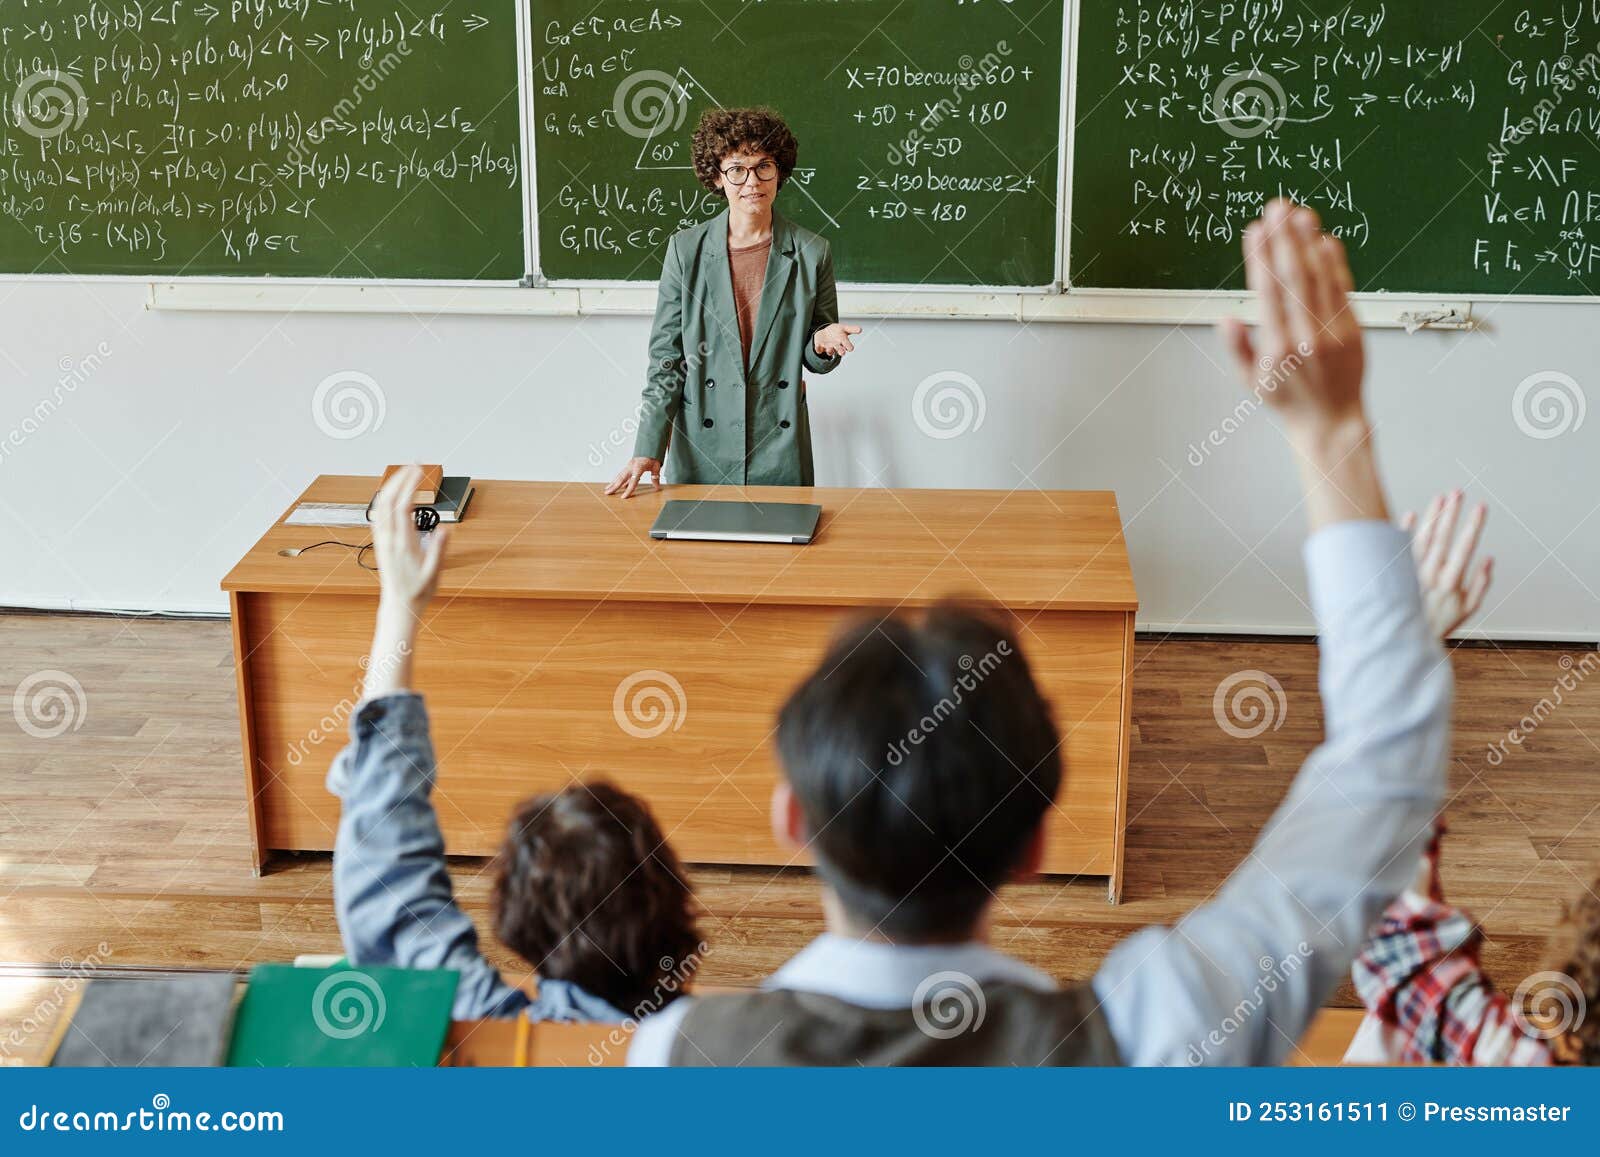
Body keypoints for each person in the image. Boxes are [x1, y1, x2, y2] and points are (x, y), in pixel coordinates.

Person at [626, 200, 1455, 1065]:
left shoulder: (673, 1055)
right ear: (1036, 845)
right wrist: (1334, 429)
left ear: (790, 818)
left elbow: (1387, 770)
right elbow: (1383, 774)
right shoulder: (1161, 1033)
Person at [327, 466, 703, 1024]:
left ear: (516, 927)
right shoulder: (757, 1051)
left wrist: (399, 606)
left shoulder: (487, 1022)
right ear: (678, 902)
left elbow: (389, 874)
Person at [606, 106, 861, 498]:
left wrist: (823, 343)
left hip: (778, 445)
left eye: (764, 167)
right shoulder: (685, 251)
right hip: (702, 447)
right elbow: (667, 361)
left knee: (783, 555)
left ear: (780, 171)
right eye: (737, 169)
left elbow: (815, 351)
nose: (752, 182)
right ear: (717, 175)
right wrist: (648, 447)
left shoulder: (813, 252)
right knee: (697, 556)